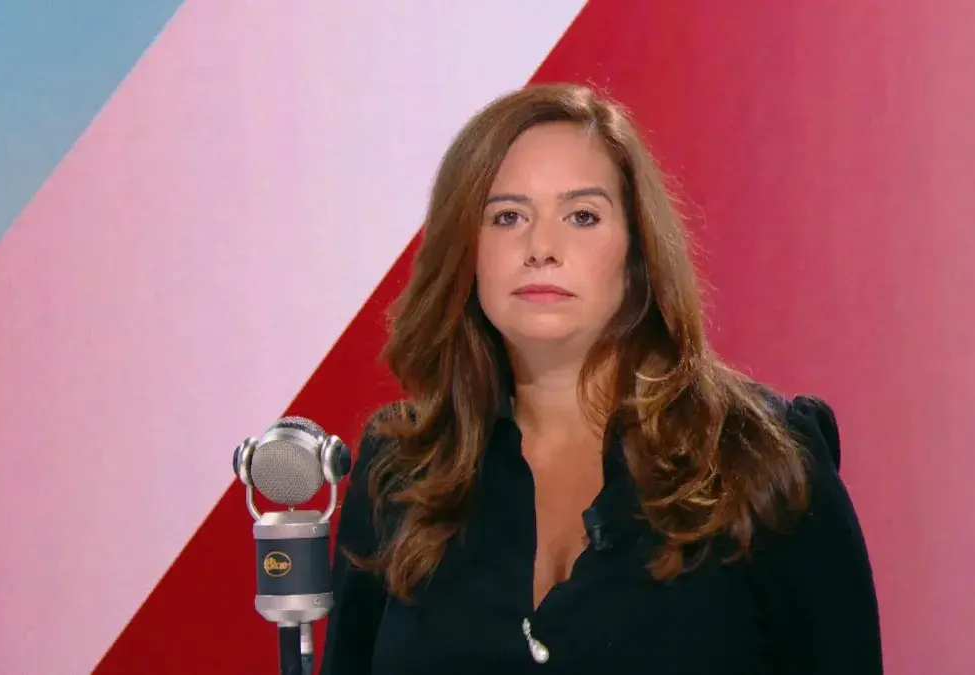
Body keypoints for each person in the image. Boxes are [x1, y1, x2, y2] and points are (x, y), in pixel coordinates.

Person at [320, 83, 882, 674]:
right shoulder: (401, 471)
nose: (541, 247)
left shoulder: (762, 457)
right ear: (466, 252)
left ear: (636, 254)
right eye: (507, 217)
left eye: (582, 216)